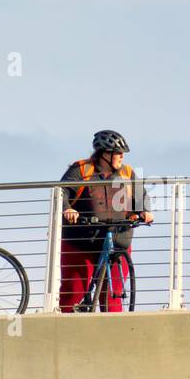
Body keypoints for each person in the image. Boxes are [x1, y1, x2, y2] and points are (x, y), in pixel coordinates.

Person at [58, 129, 153, 312]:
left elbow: (142, 197)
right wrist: (67, 208)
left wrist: (145, 212)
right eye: (118, 153)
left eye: (122, 153)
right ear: (104, 154)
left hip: (118, 241)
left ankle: (115, 334)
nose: (121, 157)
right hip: (81, 241)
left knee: (113, 294)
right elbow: (61, 192)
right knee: (74, 292)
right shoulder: (82, 170)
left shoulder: (127, 173)